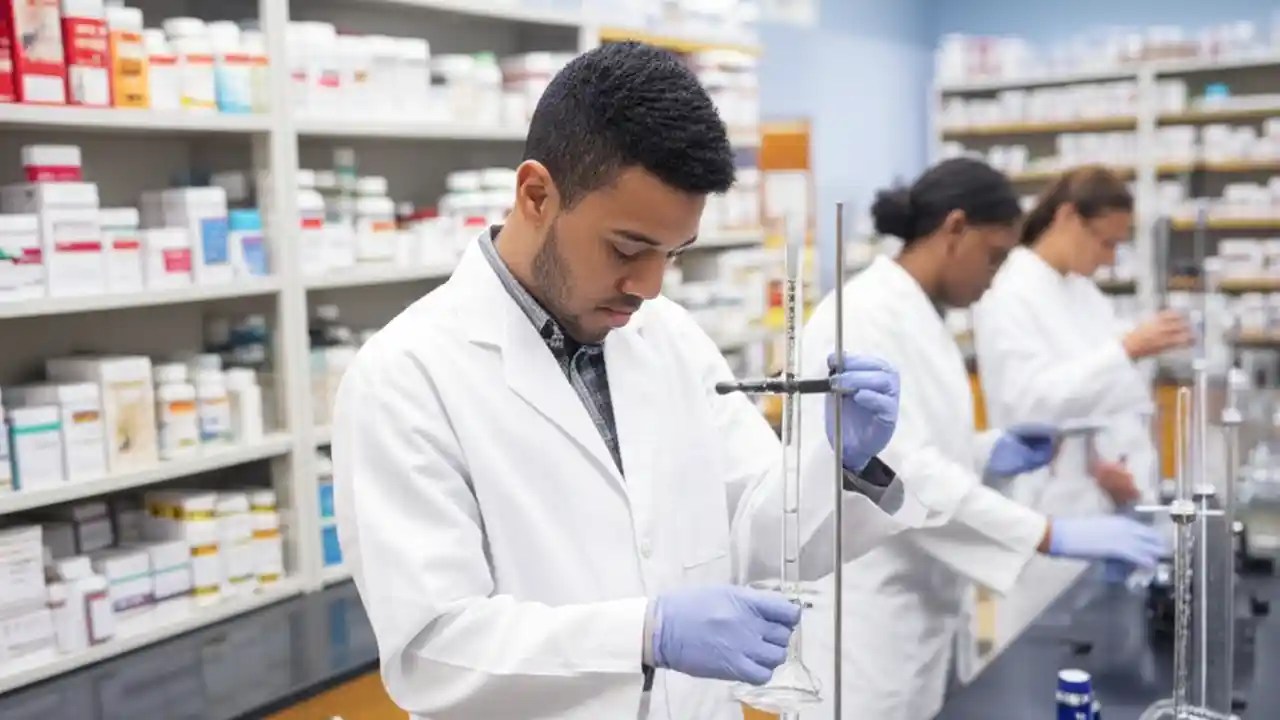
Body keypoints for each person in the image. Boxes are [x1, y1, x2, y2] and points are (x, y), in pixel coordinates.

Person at [331, 42, 925, 720]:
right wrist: (644, 634)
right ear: (536, 195)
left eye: (672, 254)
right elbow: (432, 651)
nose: (648, 285)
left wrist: (842, 466)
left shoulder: (666, 336)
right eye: (627, 248)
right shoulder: (405, 377)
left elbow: (757, 527)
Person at [796, 158, 1168, 720]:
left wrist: (990, 451)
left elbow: (921, 444)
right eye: (994, 257)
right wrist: (1047, 532)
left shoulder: (920, 312)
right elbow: (895, 473)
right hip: (870, 619)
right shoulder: (861, 316)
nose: (996, 276)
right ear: (954, 229)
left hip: (929, 608)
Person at [973, 165, 1193, 517]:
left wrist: (1115, 467)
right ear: (1067, 217)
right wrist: (1127, 349)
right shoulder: (1009, 291)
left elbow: (1113, 396)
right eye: (1105, 243)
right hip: (1047, 505)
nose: (1108, 259)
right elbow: (1028, 405)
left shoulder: (1081, 290)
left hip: (1104, 498)